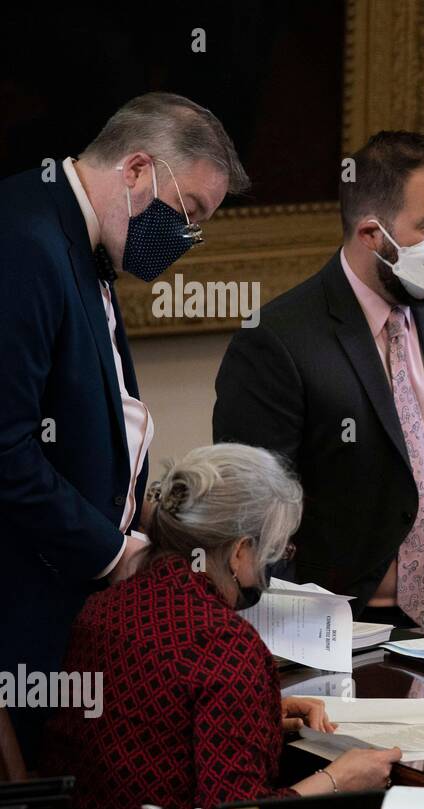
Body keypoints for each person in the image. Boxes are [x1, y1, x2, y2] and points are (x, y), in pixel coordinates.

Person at [0, 92, 246, 762]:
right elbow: (7, 452)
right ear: (137, 170)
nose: (188, 238)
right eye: (189, 213)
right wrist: (116, 555)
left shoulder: (80, 239)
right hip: (21, 618)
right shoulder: (25, 241)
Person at [213, 131, 424, 633]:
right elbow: (253, 519)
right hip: (340, 630)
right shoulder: (278, 341)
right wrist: (291, 648)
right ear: (371, 234)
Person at [41, 445, 400, 809]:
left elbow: (150, 727)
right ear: (240, 552)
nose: (270, 563)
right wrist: (339, 780)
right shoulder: (224, 644)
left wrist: (257, 713)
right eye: (273, 550)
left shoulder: (102, 610)